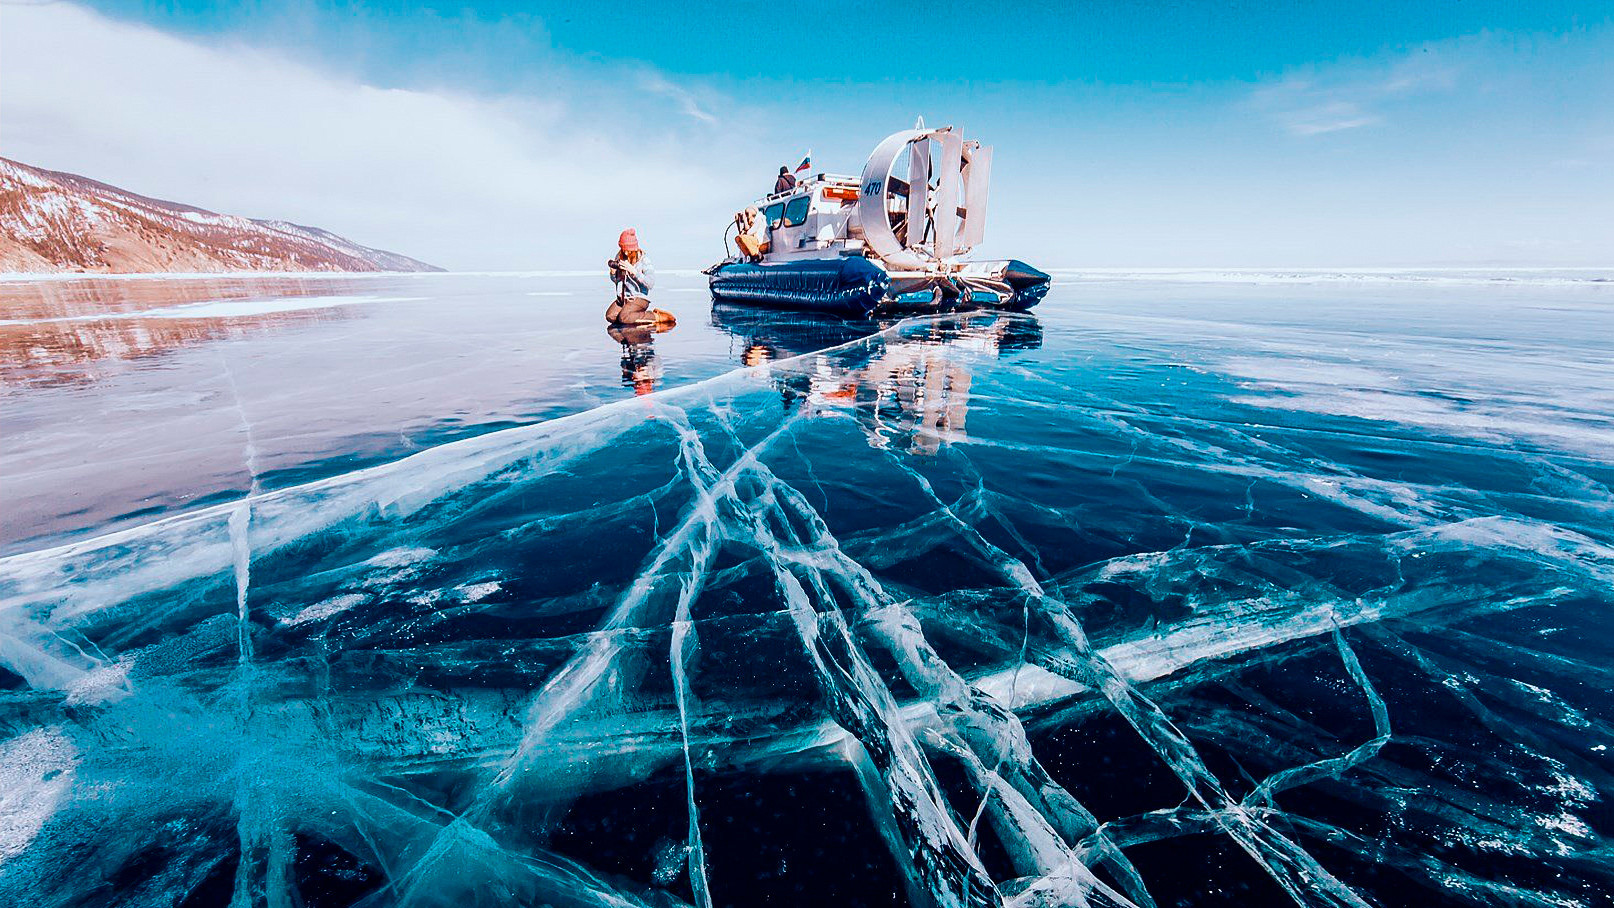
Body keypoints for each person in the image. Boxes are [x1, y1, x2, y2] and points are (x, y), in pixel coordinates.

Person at [606, 228, 675, 327]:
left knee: (624, 317)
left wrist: (634, 272)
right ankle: (630, 316)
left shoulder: (644, 260)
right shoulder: (620, 256)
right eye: (623, 249)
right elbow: (617, 281)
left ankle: (656, 316)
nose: (625, 253)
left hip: (640, 298)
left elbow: (650, 283)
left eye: (628, 251)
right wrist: (613, 274)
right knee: (611, 316)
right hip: (624, 298)